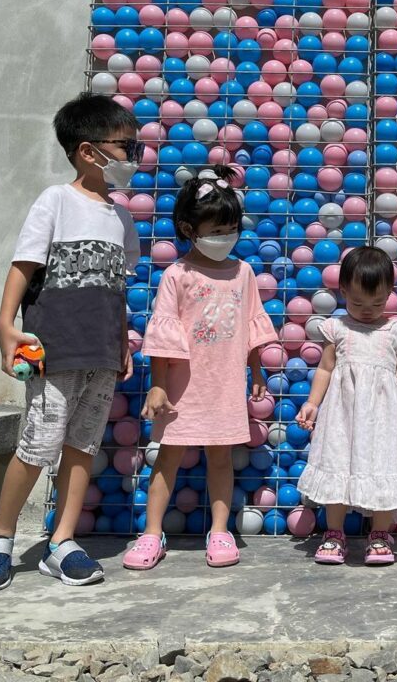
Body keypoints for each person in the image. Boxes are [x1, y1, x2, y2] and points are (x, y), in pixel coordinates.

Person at [0, 93, 142, 591]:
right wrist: (6, 325)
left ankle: (62, 542)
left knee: (82, 447)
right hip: (54, 351)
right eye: (125, 146)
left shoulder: (122, 217)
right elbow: (24, 265)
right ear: (89, 151)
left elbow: (118, 286)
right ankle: (0, 536)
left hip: (102, 355)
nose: (133, 156)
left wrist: (122, 340)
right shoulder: (55, 200)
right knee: (36, 445)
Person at [122, 168, 277, 570]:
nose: (226, 236)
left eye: (232, 228)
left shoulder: (243, 274)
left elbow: (252, 325)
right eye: (217, 229)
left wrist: (256, 371)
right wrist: (157, 387)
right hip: (181, 388)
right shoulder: (177, 275)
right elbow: (162, 334)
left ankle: (221, 530)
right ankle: (151, 533)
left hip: (225, 384)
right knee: (167, 459)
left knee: (221, 459)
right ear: (190, 228)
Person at [296, 246, 397, 566]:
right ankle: (334, 533)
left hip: (384, 417)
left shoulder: (394, 333)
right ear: (343, 291)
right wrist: (312, 403)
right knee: (338, 463)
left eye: (377, 302)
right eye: (358, 302)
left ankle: (380, 534)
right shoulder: (337, 328)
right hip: (342, 416)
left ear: (390, 293)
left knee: (383, 467)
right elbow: (326, 369)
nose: (368, 310)